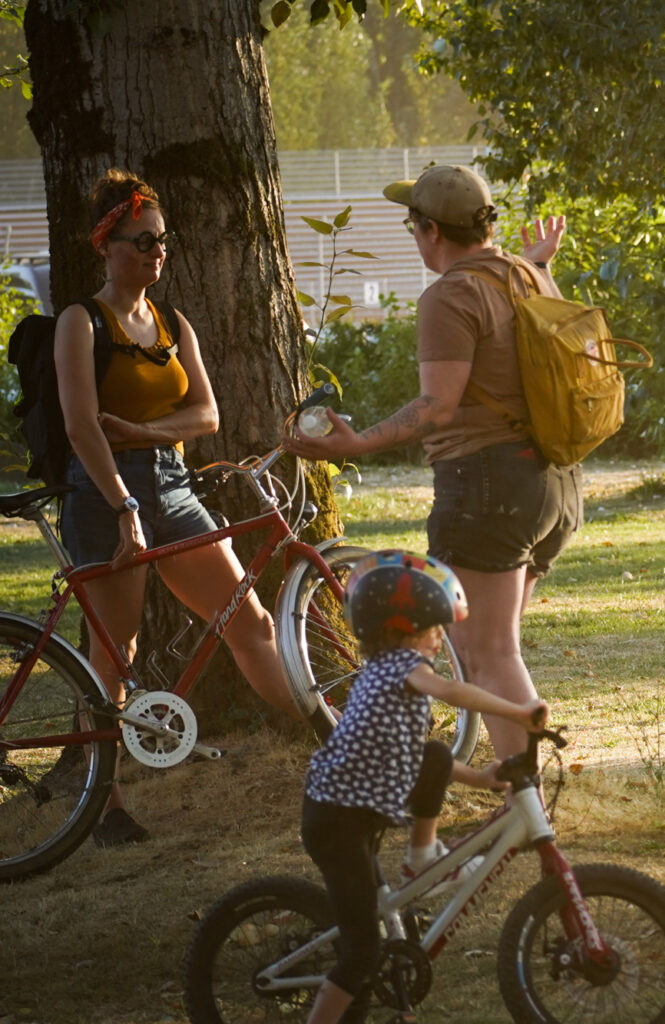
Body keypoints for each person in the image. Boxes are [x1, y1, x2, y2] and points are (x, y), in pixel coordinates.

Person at [286, 164, 574, 762]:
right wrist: (539, 263)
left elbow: (438, 407)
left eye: (412, 224)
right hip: (553, 486)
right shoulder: (530, 275)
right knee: (491, 649)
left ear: (430, 230)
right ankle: (519, 797)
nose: (414, 236)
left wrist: (357, 443)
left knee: (489, 654)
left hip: (487, 486)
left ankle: (529, 809)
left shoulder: (450, 295)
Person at [57, 169, 299, 846]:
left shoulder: (171, 321)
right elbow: (82, 428)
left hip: (173, 483)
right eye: (142, 241)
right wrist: (124, 504)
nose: (156, 252)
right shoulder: (81, 322)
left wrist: (147, 435)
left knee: (246, 621)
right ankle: (103, 808)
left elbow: (206, 414)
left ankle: (318, 736)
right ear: (107, 245)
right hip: (104, 494)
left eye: (162, 240)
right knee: (115, 655)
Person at [301, 550, 549, 1024]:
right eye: (436, 629)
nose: (441, 639)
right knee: (361, 953)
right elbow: (454, 691)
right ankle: (422, 858)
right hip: (338, 823)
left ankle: (422, 858)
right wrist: (518, 712)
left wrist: (480, 779)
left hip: (352, 814)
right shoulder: (403, 669)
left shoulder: (385, 674)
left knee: (436, 752)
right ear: (403, 628)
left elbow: (416, 757)